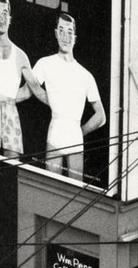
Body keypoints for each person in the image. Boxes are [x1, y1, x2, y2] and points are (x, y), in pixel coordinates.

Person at [32, 13, 106, 179]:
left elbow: (101, 116)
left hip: (75, 137)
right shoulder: (45, 63)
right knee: (52, 187)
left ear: (75, 37)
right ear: (56, 33)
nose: (65, 36)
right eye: (62, 30)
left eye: (70, 32)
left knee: (75, 190)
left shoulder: (85, 75)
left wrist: (80, 131)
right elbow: (28, 88)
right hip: (55, 132)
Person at [0, 0, 47, 157]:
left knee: (13, 167)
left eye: (4, 13)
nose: (1, 17)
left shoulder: (20, 55)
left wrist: (58, 103)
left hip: (11, 111)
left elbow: (35, 89)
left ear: (10, 18)